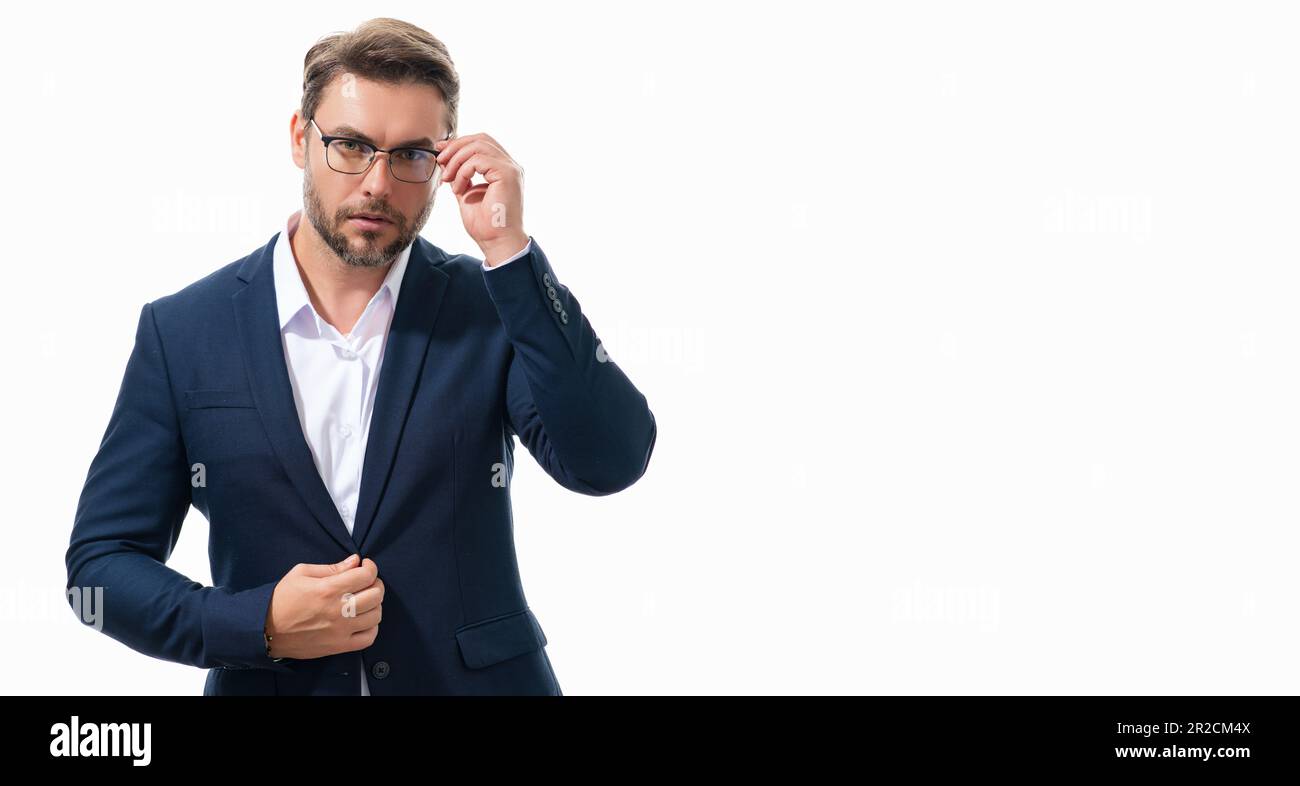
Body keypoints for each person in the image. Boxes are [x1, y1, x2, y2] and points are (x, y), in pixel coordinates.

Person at [64, 17, 656, 696]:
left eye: (411, 155)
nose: (378, 183)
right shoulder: (182, 331)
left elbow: (610, 460)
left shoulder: (491, 304)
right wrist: (256, 623)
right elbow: (101, 567)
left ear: (442, 163)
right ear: (300, 138)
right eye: (350, 145)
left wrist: (509, 250)